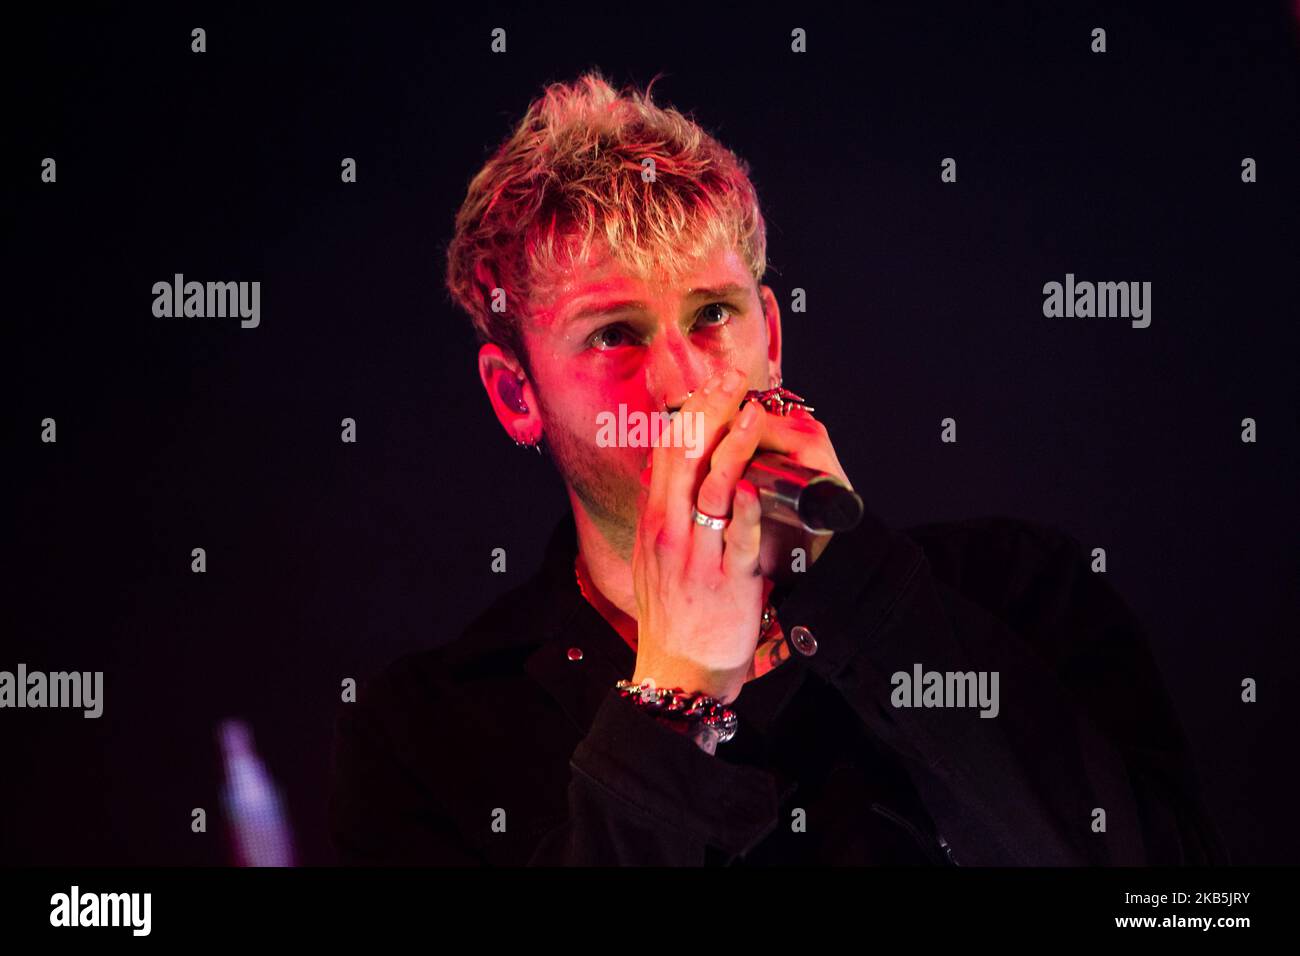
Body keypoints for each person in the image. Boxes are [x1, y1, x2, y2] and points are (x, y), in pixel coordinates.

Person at [328, 71, 1225, 865]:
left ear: (773, 336)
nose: (682, 382)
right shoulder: (427, 735)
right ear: (517, 393)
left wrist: (864, 595)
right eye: (614, 335)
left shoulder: (1020, 595)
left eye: (712, 315)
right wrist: (672, 701)